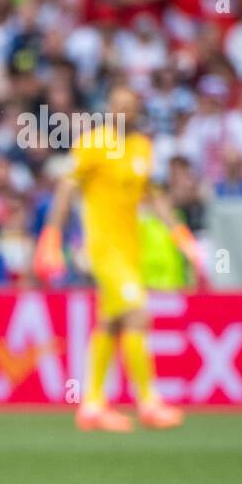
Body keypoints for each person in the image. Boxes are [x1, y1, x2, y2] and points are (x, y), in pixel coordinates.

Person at [34, 85, 203, 431]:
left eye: (130, 106)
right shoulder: (93, 143)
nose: (124, 112)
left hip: (130, 247)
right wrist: (51, 237)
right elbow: (67, 188)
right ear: (109, 109)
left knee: (110, 324)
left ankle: (92, 405)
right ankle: (149, 402)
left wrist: (181, 235)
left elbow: (152, 195)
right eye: (118, 106)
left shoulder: (142, 147)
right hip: (103, 247)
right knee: (138, 314)